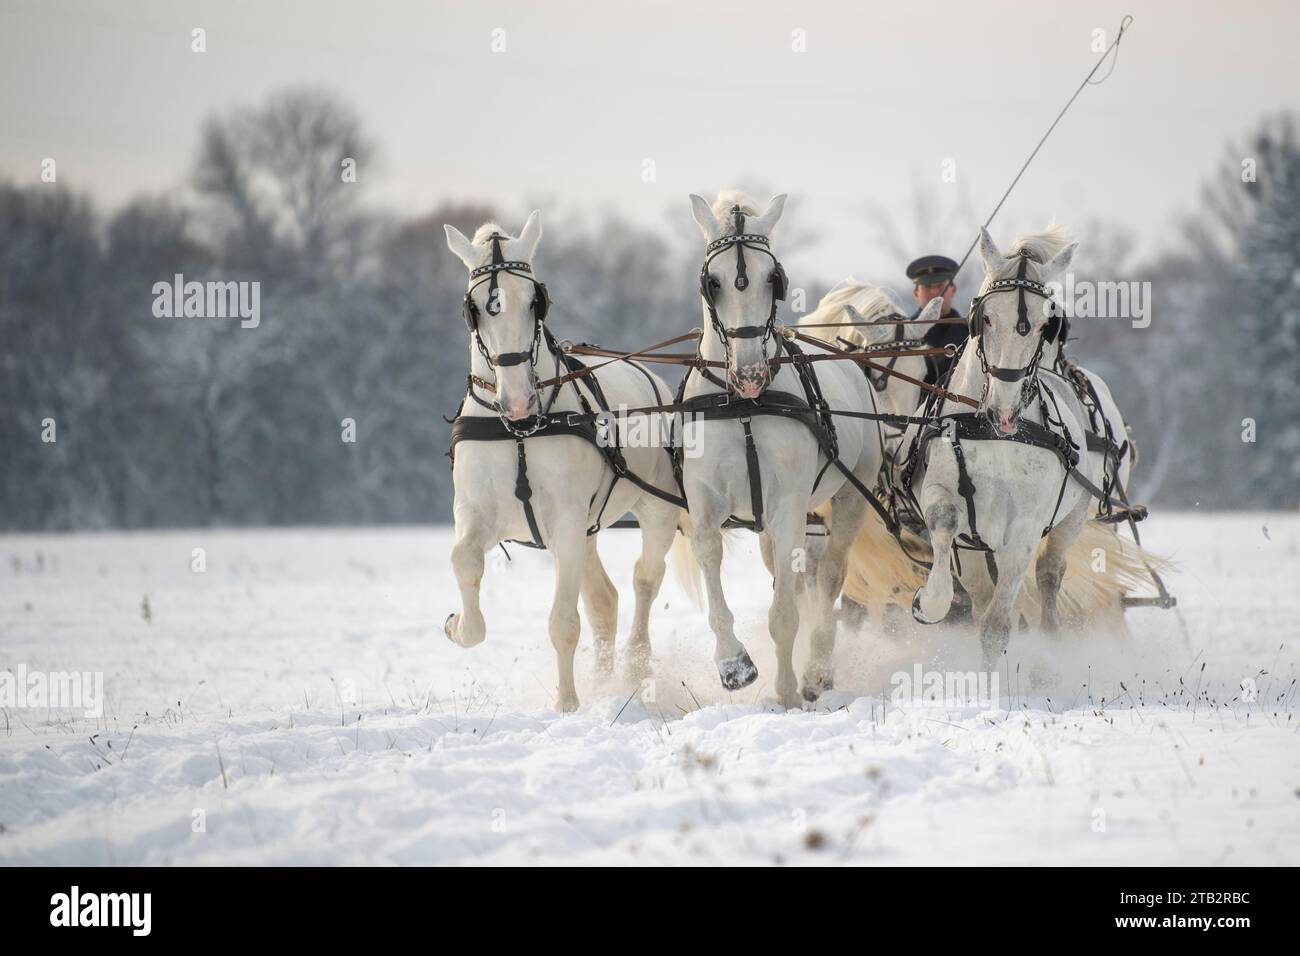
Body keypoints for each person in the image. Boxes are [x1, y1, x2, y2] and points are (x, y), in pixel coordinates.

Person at [906, 254, 966, 386]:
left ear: (953, 289)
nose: (934, 292)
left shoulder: (971, 332)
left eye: (940, 286)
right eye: (926, 287)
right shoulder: (904, 334)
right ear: (916, 293)